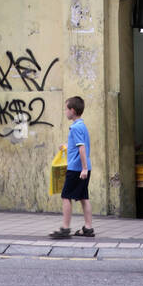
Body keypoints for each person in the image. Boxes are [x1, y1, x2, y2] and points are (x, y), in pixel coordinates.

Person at [51, 96, 94, 238]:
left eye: (66, 109)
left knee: (66, 196)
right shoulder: (82, 126)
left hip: (76, 169)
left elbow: (82, 148)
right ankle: (88, 228)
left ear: (72, 111)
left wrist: (83, 168)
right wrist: (66, 146)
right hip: (83, 167)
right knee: (83, 197)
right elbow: (79, 146)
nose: (65, 112)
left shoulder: (75, 128)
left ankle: (65, 228)